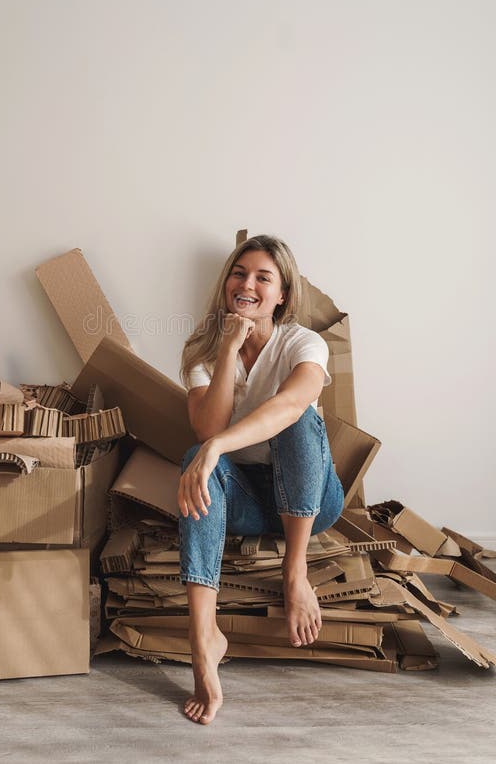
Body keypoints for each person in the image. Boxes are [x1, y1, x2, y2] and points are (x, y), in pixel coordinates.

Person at [177, 234, 345, 725]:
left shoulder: (302, 343)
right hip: (251, 501)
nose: (246, 284)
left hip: (313, 501)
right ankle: (203, 636)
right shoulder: (201, 351)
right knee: (195, 451)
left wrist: (216, 447)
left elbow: (293, 405)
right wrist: (228, 347)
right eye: (239, 273)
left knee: (294, 420)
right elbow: (208, 428)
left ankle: (295, 574)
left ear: (281, 295)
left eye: (262, 278)